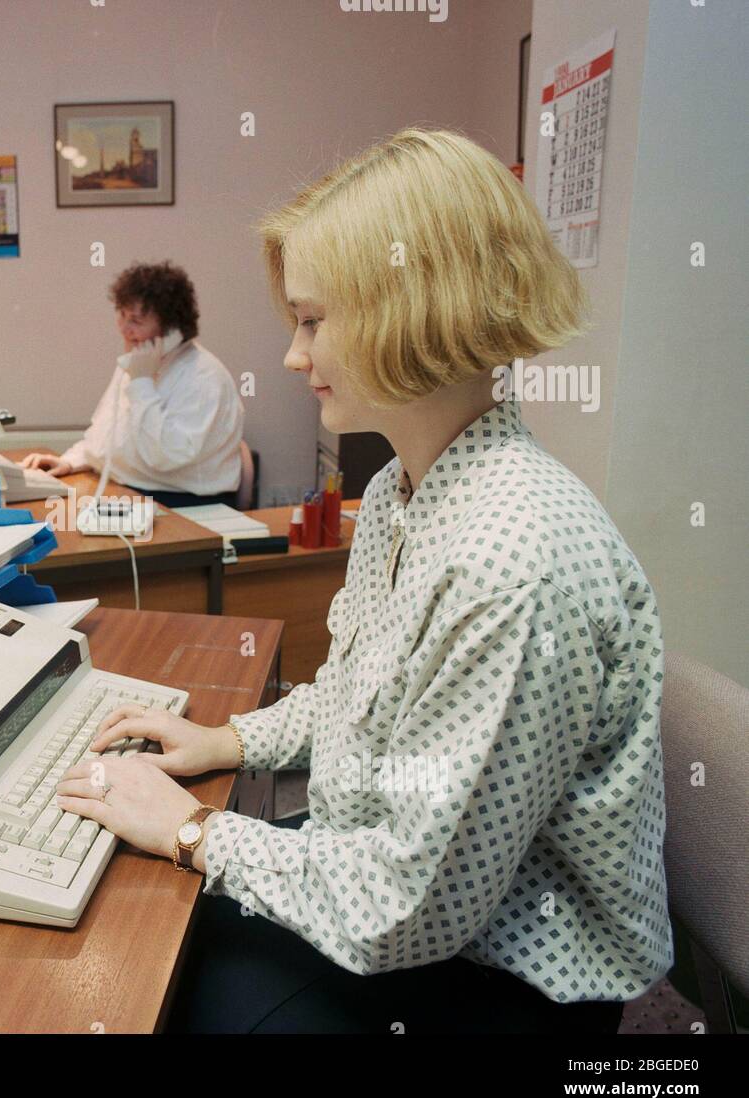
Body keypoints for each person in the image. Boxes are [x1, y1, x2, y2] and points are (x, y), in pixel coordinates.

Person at [54, 128, 674, 1032]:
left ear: (412, 311)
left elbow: (406, 909)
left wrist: (193, 830)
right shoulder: (399, 489)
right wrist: (225, 740)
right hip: (402, 888)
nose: (294, 356)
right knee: (150, 921)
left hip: (498, 976)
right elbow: (354, 690)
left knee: (158, 986)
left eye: (311, 320)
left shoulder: (515, 566)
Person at [22, 261, 245, 507]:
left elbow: (164, 456)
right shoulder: (141, 362)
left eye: (136, 321)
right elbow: (108, 434)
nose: (124, 330)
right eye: (123, 316)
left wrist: (141, 383)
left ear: (171, 327)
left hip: (186, 504)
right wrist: (70, 461)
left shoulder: (204, 377)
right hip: (131, 491)